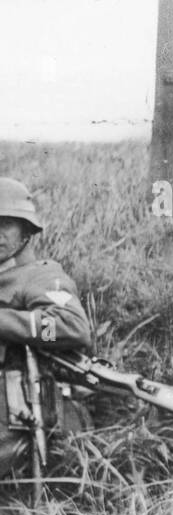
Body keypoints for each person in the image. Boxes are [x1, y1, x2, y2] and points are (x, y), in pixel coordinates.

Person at [0, 177, 93, 476]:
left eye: (6, 224)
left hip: (16, 409)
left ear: (26, 232)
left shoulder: (40, 276)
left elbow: (69, 326)